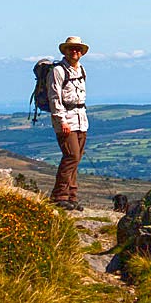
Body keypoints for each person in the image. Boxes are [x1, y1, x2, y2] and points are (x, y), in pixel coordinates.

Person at [48, 36, 89, 211]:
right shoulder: (58, 71)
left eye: (78, 49)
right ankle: (59, 196)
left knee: (76, 159)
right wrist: (61, 120)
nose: (75, 52)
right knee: (71, 156)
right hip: (66, 120)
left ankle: (71, 196)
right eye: (72, 48)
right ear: (65, 51)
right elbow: (55, 97)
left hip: (81, 119)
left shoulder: (81, 69)